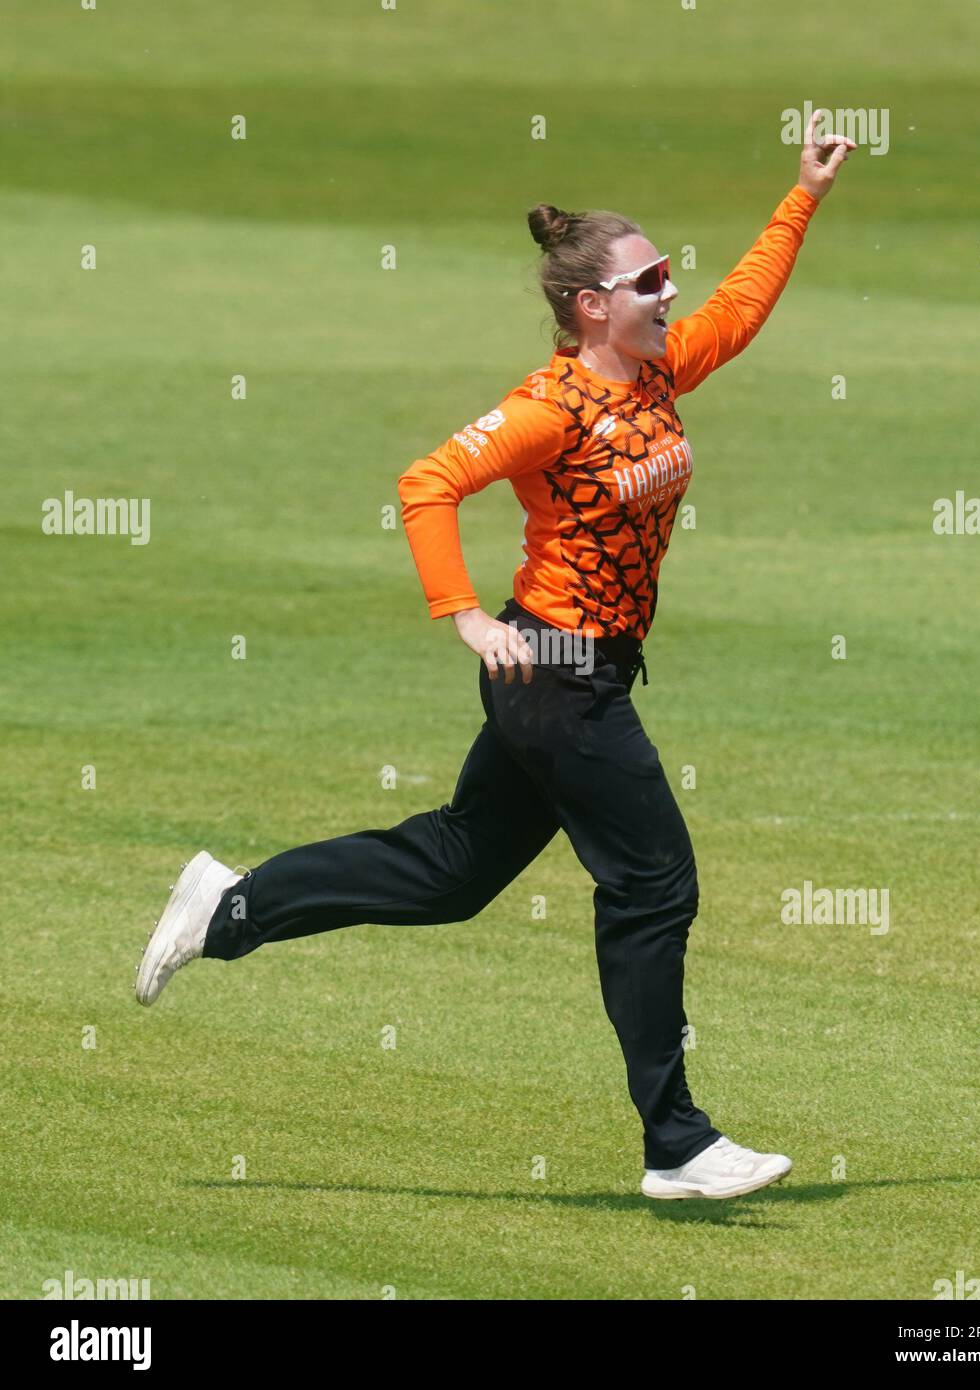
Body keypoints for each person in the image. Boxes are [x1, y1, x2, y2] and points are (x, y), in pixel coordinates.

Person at [135, 113, 855, 1200]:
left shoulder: (656, 374)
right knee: (654, 882)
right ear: (589, 306)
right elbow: (428, 483)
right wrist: (467, 616)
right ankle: (677, 1142)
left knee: (453, 868)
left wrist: (802, 194)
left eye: (668, 275)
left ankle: (230, 906)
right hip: (555, 678)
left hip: (584, 675)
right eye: (649, 279)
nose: (670, 292)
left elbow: (741, 309)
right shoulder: (549, 407)